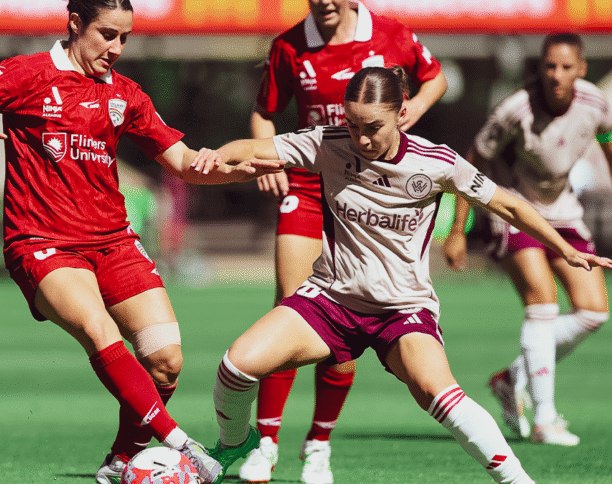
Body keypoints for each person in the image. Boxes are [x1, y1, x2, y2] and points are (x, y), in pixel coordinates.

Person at [202, 66, 612, 484]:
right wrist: (213, 156)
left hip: (402, 310)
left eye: (373, 127)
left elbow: (509, 205)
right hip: (330, 301)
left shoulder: (437, 162)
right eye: (353, 125)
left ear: (400, 115)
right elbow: (251, 147)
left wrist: (565, 248)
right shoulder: (329, 143)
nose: (361, 139)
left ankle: (518, 480)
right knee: (235, 367)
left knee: (440, 395)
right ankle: (236, 443)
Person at [0, 1, 283, 483]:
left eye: (125, 37)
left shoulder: (126, 94)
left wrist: (239, 171)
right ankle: (183, 445)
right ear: (76, 24)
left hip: (113, 242)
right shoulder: (25, 73)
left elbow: (183, 163)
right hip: (43, 242)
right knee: (99, 330)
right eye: (107, 34)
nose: (116, 47)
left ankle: (120, 461)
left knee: (165, 361)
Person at [245, 1, 447, 482]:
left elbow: (435, 78)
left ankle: (319, 444)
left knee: (350, 316)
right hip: (309, 188)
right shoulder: (290, 47)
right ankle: (265, 444)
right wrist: (269, 159)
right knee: (290, 307)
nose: (325, 2)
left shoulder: (392, 34)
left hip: (369, 189)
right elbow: (263, 113)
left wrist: (414, 107)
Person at [443, 32, 611, 446]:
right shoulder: (515, 109)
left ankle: (512, 377)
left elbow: (608, 139)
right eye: (550, 66)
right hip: (512, 210)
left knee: (593, 312)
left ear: (582, 69)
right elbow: (472, 162)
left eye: (566, 67)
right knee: (543, 302)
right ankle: (544, 421)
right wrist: (458, 230)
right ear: (540, 68)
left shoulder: (595, 103)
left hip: (563, 210)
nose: (557, 75)